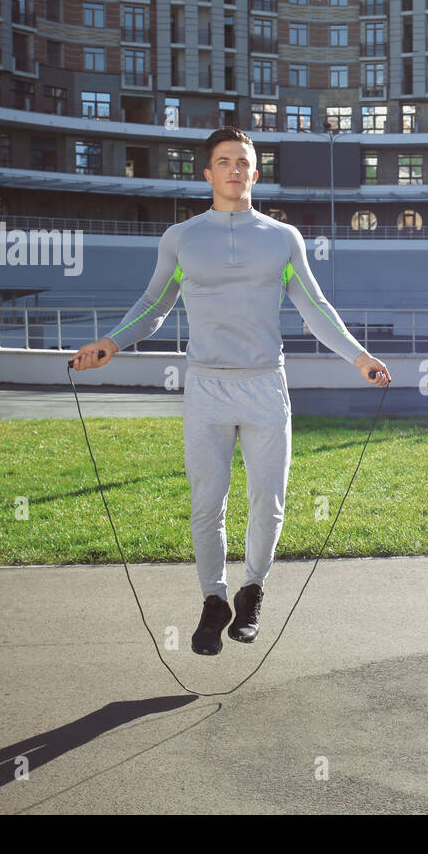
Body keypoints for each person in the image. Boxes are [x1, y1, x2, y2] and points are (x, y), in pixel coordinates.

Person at [71, 126, 391, 655]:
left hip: (266, 386)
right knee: (206, 504)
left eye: (243, 162)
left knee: (268, 504)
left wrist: (358, 356)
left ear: (255, 173)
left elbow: (314, 307)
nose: (234, 170)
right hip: (206, 389)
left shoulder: (282, 239)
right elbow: (154, 306)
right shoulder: (181, 238)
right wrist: (111, 342)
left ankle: (252, 591)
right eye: (224, 161)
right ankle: (213, 599)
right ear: (208, 173)